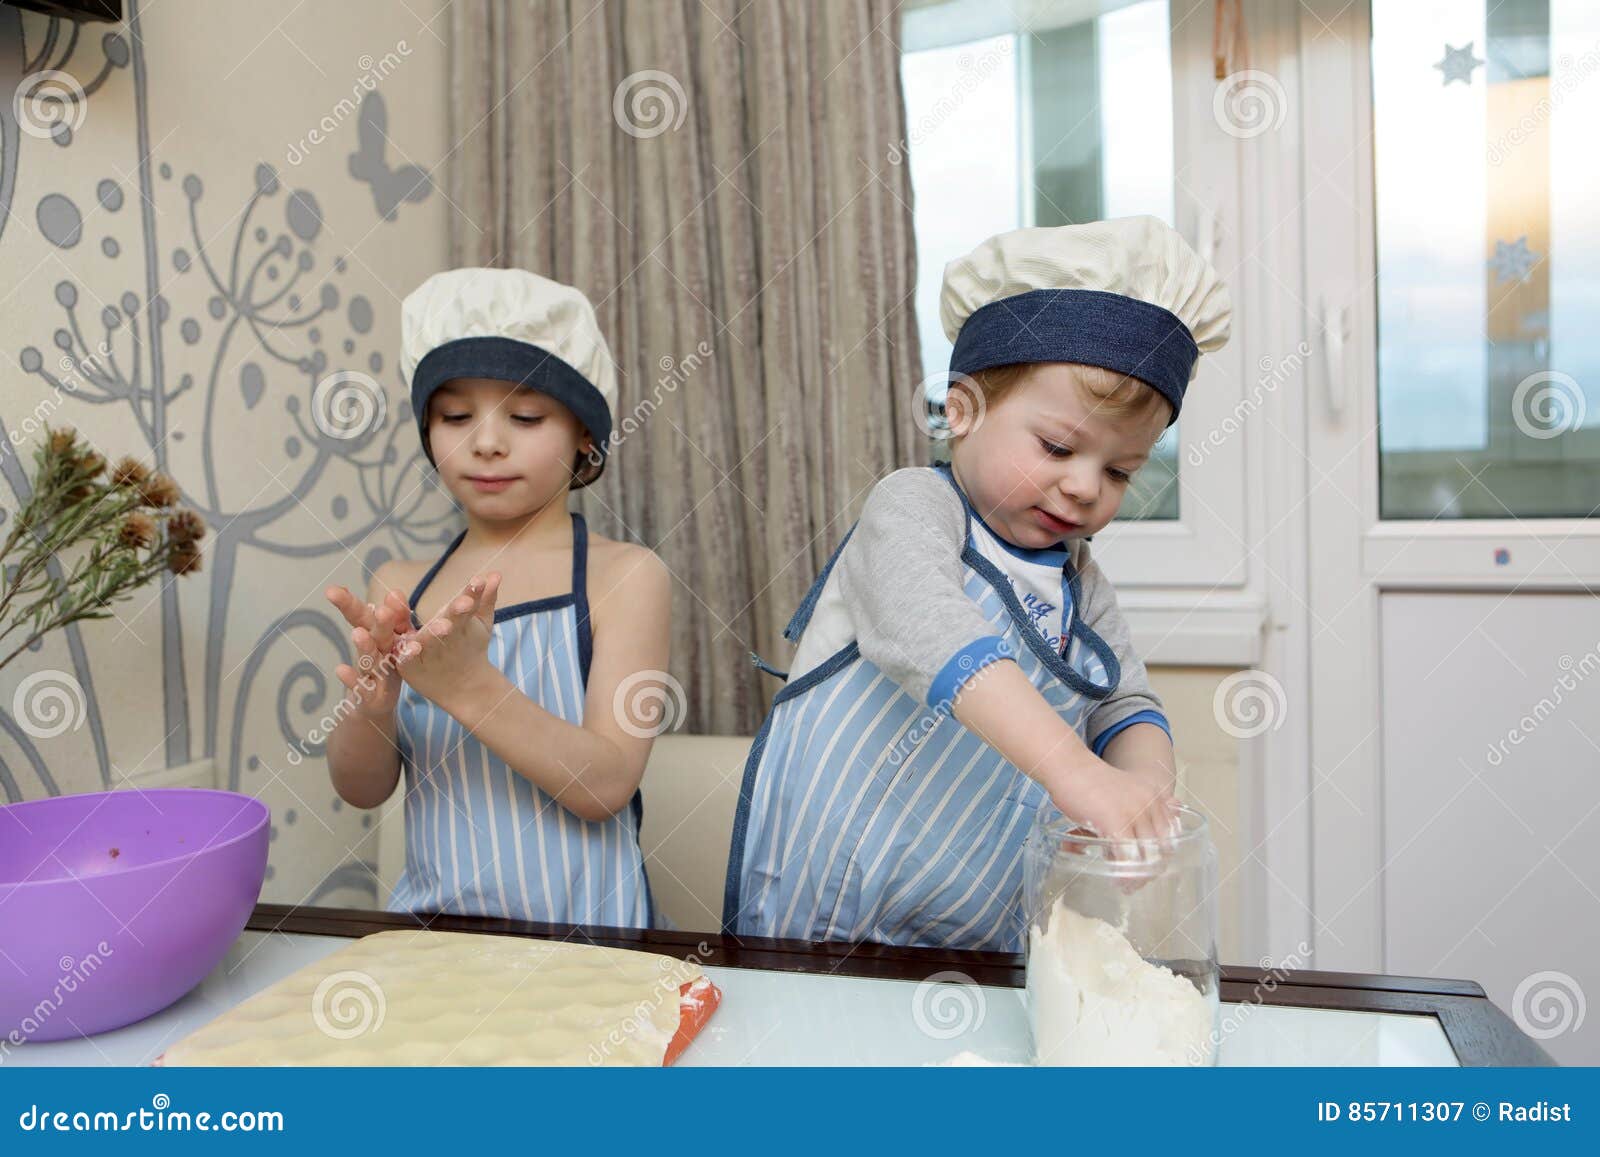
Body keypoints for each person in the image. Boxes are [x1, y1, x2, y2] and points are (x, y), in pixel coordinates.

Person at [723, 215, 1231, 951]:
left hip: (973, 933)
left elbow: (1127, 701)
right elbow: (928, 627)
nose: (1087, 486)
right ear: (961, 410)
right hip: (824, 921)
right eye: (1058, 446)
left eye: (1121, 469)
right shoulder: (911, 509)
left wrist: (1145, 789)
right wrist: (1075, 773)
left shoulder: (1080, 584)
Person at [323, 267, 671, 929]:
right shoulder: (399, 584)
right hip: (435, 944)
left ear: (584, 437)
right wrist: (370, 710)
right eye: (456, 415)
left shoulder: (626, 576)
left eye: (526, 414)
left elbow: (605, 784)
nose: (485, 440)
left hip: (589, 949)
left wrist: (467, 686)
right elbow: (362, 790)